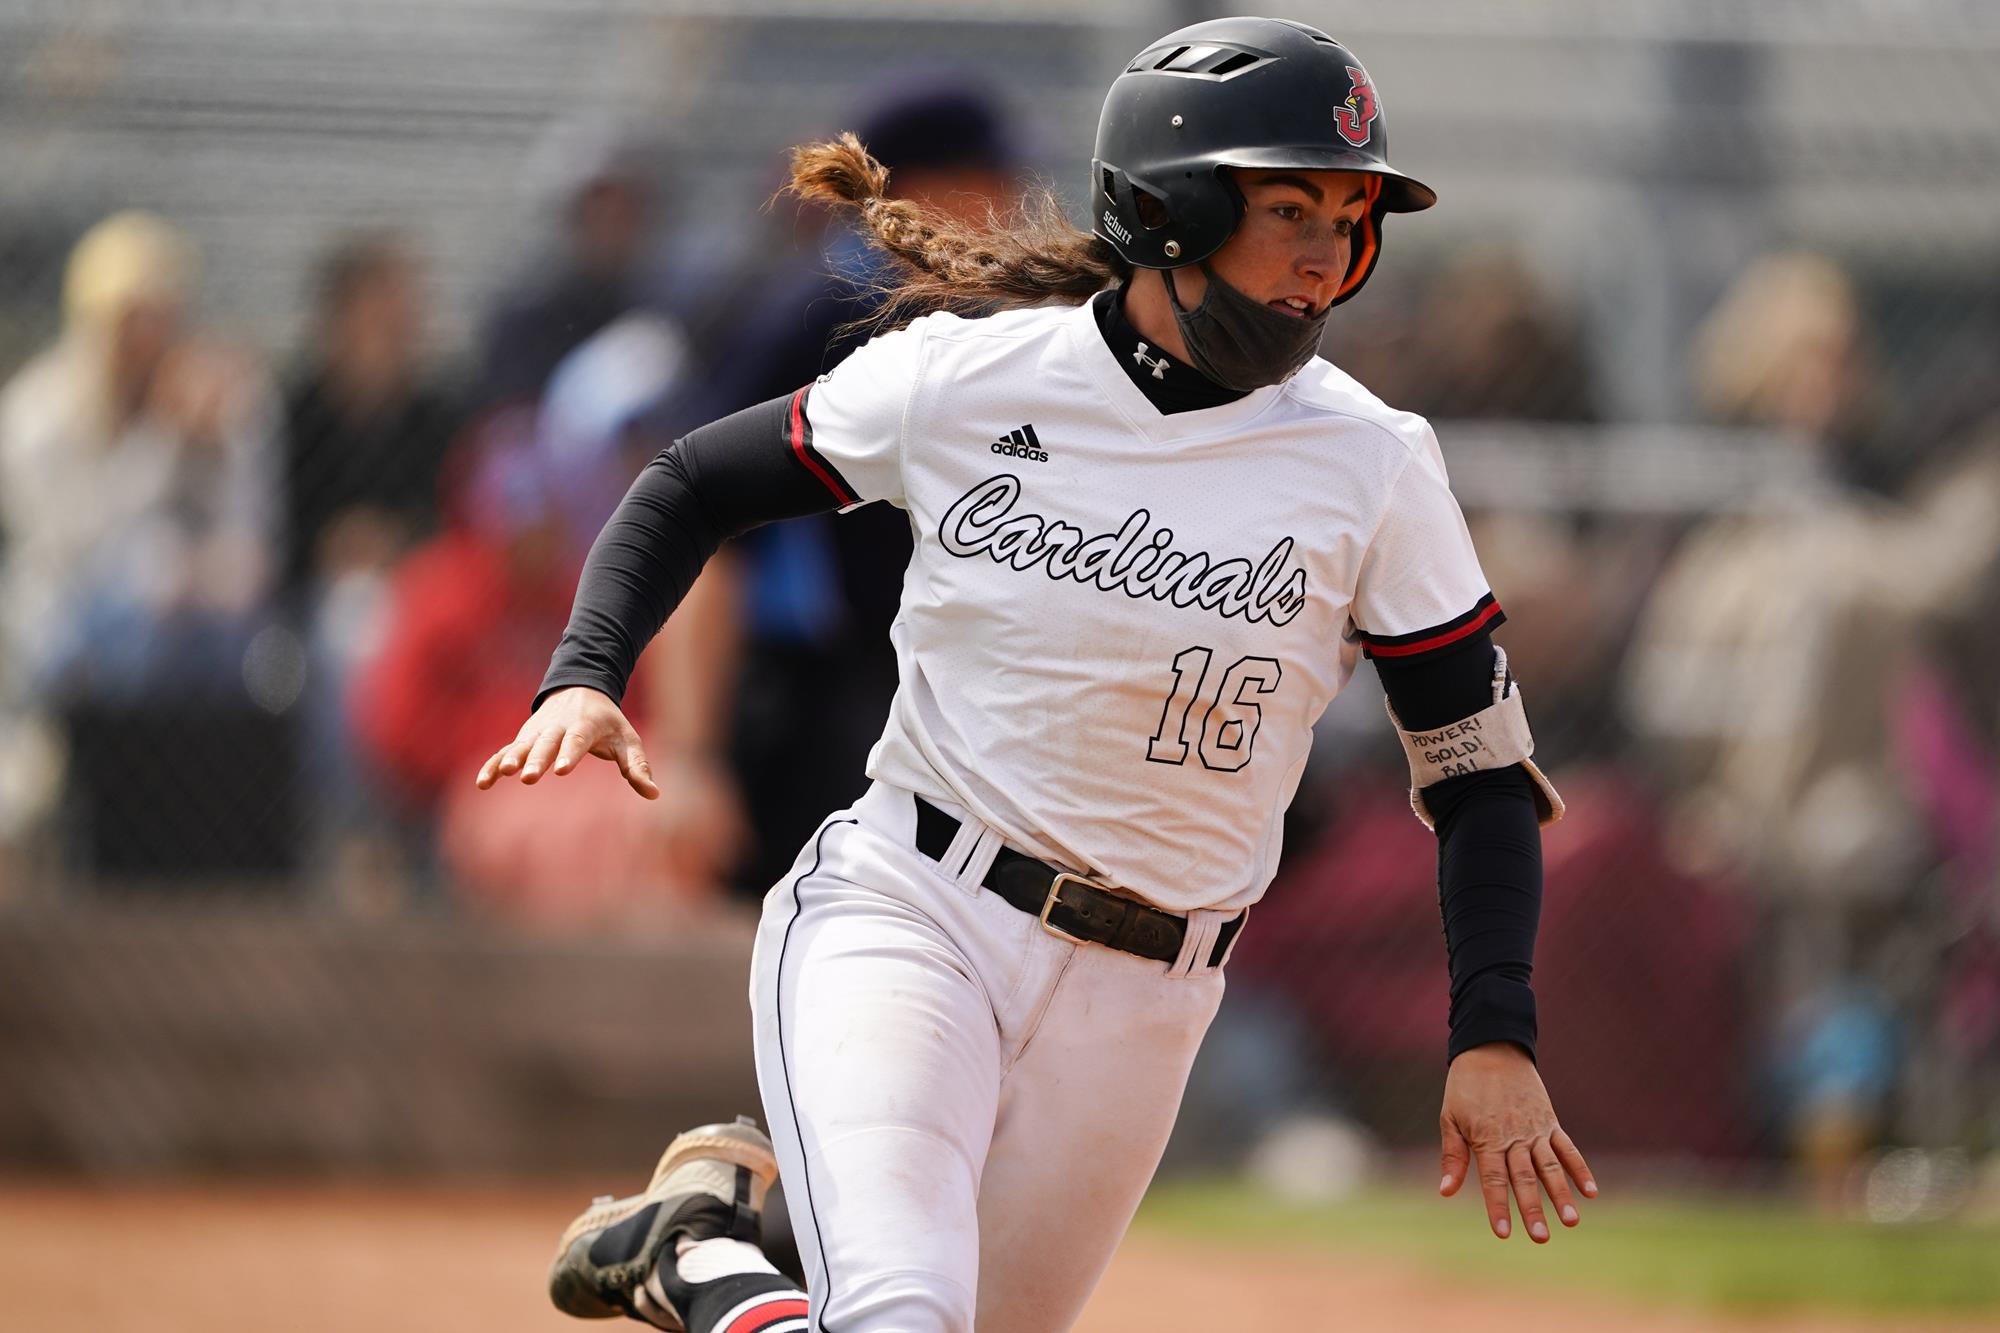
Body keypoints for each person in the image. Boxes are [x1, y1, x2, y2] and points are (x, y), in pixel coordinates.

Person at [479, 19, 1595, 1332]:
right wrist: (585, 672)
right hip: (916, 913)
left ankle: (712, 1250)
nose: (1327, 252)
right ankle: (712, 1272)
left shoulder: (1375, 461)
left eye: (1352, 216)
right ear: (1167, 207)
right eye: (1288, 205)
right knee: (899, 1315)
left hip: (1149, 1000)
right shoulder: (974, 373)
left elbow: (1476, 776)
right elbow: (691, 480)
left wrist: (1498, 1029)